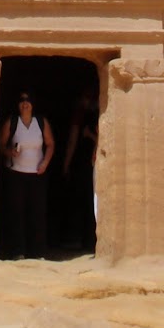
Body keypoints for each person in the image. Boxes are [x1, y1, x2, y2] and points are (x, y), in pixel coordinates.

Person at [0, 90, 54, 258]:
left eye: (28, 100)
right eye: (22, 100)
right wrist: (9, 152)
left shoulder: (41, 122)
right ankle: (18, 251)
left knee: (37, 212)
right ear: (18, 104)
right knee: (17, 213)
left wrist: (45, 163)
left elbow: (50, 144)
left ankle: (37, 251)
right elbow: (0, 144)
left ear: (33, 103)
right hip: (16, 173)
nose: (25, 103)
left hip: (37, 174)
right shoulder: (12, 122)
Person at [62, 84, 99, 251]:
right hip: (93, 161)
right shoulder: (98, 113)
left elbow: (72, 140)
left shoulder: (81, 114)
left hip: (83, 161)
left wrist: (66, 165)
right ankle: (90, 240)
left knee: (80, 200)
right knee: (91, 200)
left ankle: (81, 239)